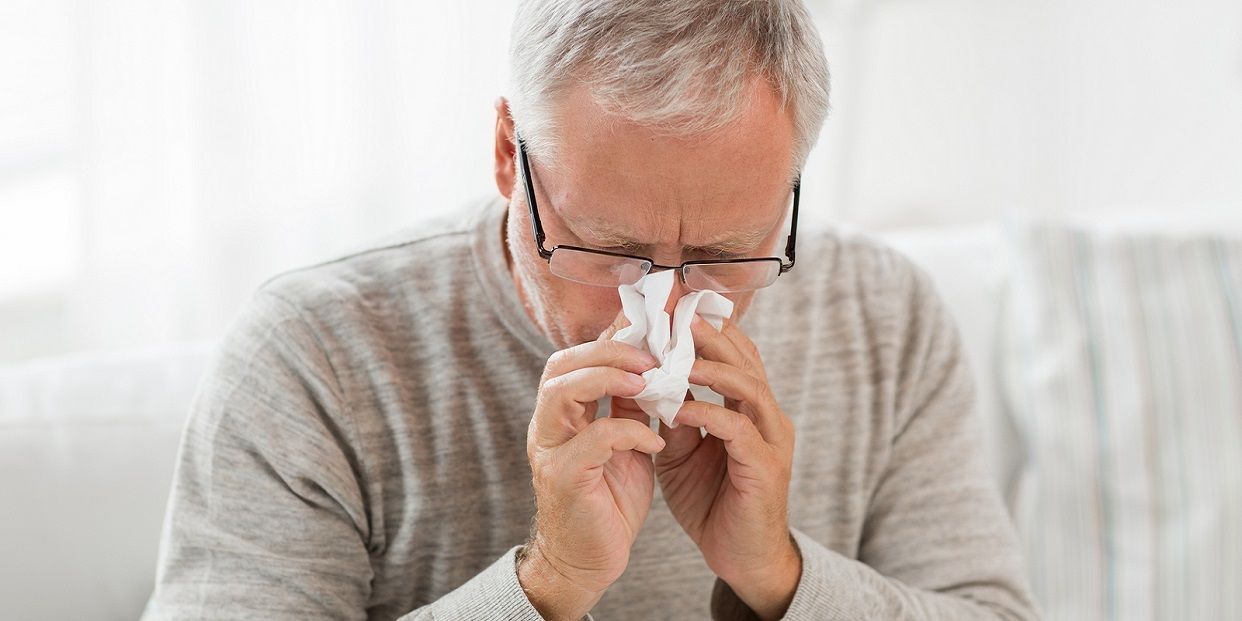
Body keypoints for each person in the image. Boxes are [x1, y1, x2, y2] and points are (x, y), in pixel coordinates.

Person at [144, 1, 1039, 619]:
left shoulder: (886, 316)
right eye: (606, 247)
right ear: (508, 157)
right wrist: (548, 584)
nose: (667, 307)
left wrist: (779, 575)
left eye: (727, 253)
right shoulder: (316, 357)